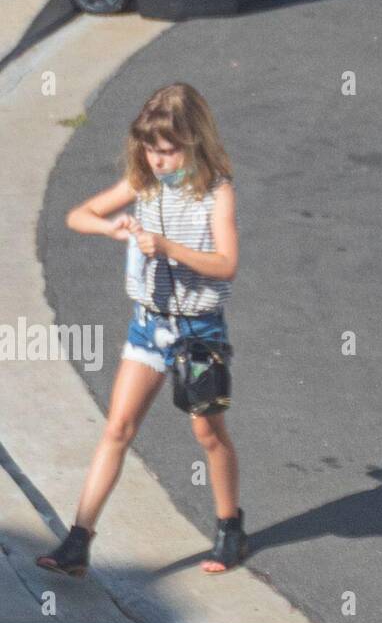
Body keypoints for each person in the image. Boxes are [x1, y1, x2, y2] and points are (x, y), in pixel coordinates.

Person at [37, 83, 245, 577]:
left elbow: (227, 263)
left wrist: (169, 247)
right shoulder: (142, 182)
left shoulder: (217, 191)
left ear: (193, 143)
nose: (158, 161)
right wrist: (111, 227)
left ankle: (228, 526)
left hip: (199, 331)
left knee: (208, 434)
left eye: (168, 151)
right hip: (149, 327)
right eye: (151, 150)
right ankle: (78, 540)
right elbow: (77, 216)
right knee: (117, 427)